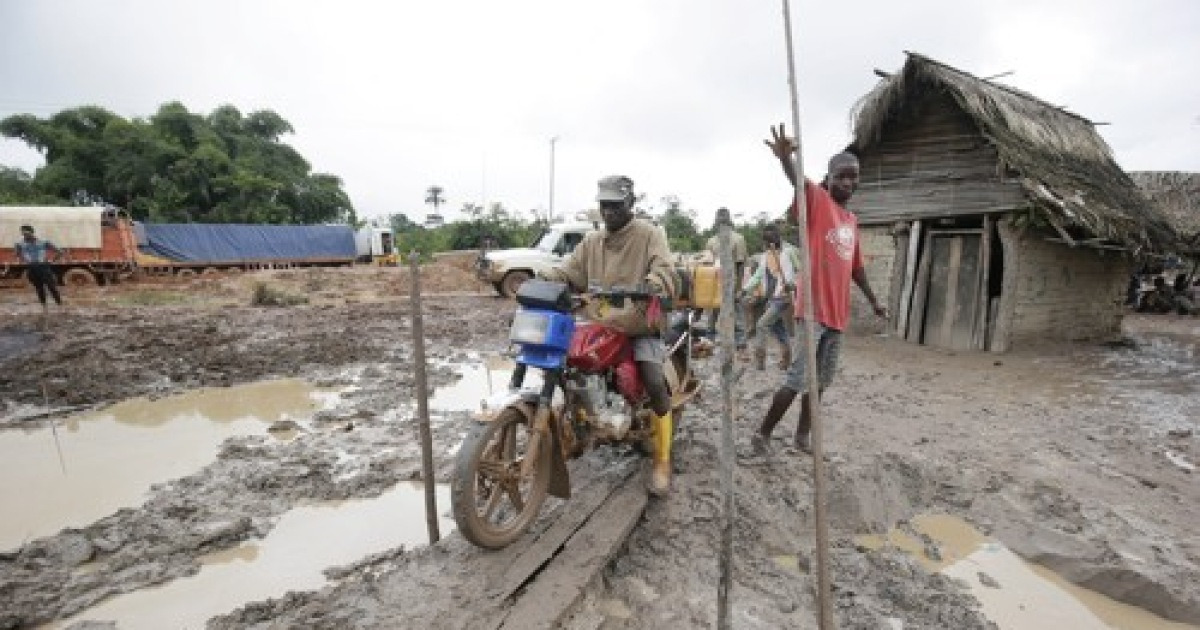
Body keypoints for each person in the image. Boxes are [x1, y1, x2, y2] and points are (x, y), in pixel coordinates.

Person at [752, 124, 887, 454]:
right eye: (842, 177)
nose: (849, 183)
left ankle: (802, 436)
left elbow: (856, 268)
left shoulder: (851, 221)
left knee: (821, 383)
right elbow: (798, 181)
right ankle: (763, 434)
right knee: (798, 378)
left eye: (854, 177)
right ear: (829, 178)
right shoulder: (818, 201)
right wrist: (786, 159)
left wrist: (874, 301)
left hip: (837, 316)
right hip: (813, 309)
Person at [542, 175, 680, 494]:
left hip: (638, 322)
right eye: (604, 205)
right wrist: (543, 276)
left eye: (616, 205)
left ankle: (662, 459)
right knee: (566, 366)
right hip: (600, 323)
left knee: (654, 380)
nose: (609, 212)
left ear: (631, 203)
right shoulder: (592, 241)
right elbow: (570, 271)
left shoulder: (650, 234)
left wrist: (654, 284)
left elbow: (664, 269)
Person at [742, 222, 800, 370]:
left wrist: (793, 284)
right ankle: (787, 360)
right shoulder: (766, 256)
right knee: (779, 329)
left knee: (761, 325)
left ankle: (760, 361)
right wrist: (745, 290)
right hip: (771, 297)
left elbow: (801, 271)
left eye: (771, 240)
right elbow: (758, 276)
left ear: (777, 238)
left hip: (783, 297)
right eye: (767, 241)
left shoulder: (790, 252)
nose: (769, 244)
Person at [703, 208, 748, 351]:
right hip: (715, 282)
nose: (721, 222)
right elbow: (707, 263)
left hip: (732, 281)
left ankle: (740, 342)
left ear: (729, 221)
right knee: (713, 312)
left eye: (723, 219)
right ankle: (709, 339)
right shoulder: (711, 241)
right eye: (719, 219)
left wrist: (738, 287)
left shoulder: (738, 239)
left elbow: (741, 265)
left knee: (737, 311)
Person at [13, 225, 64, 311]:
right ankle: (44, 307)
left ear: (32, 232)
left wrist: (52, 260)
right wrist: (23, 259)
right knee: (39, 288)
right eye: (23, 233)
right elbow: (16, 254)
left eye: (27, 233)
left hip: (43, 266)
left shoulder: (43, 242)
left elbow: (60, 252)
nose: (25, 235)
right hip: (31, 268)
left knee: (52, 287)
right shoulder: (19, 244)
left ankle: (60, 305)